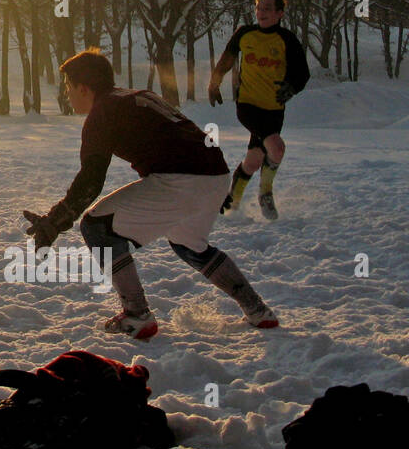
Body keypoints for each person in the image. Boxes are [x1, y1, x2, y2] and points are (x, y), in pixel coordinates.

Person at [23, 50, 278, 341]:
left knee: (96, 227)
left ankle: (137, 315)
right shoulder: (131, 95)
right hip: (215, 176)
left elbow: (91, 182)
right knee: (189, 245)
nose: (67, 95)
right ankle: (257, 310)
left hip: (182, 179)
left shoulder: (102, 112)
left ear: (84, 88)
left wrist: (55, 222)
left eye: (68, 87)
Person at [208, 0, 310, 220]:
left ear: (279, 13)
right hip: (248, 105)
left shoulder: (287, 39)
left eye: (267, 8)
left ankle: (231, 202)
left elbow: (303, 73)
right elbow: (227, 58)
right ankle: (265, 194)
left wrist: (291, 88)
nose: (261, 12)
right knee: (277, 148)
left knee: (254, 161)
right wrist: (215, 82)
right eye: (258, 8)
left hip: (274, 109)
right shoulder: (245, 33)